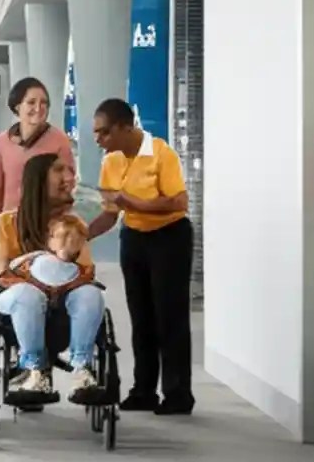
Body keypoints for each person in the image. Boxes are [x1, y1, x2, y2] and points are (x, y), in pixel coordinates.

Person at [86, 98, 195, 415]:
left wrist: (132, 201)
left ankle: (177, 393)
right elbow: (109, 215)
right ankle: (143, 390)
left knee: (169, 317)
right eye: (96, 133)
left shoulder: (161, 153)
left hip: (169, 237)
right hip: (134, 238)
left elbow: (179, 202)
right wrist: (80, 235)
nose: (98, 140)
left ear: (125, 127)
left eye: (104, 133)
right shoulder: (111, 162)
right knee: (141, 316)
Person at [0, 153, 105, 404]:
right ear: (39, 181)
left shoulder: (72, 226)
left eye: (70, 171)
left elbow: (85, 272)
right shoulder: (7, 223)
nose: (69, 178)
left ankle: (81, 369)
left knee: (91, 293)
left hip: (62, 306)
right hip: (16, 307)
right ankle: (34, 371)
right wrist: (35, 274)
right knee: (27, 295)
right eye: (59, 171)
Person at [0, 78, 76, 244]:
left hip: (48, 226)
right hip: (10, 225)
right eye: (31, 102)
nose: (39, 108)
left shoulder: (59, 140)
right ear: (17, 107)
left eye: (44, 103)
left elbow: (68, 183)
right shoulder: (3, 141)